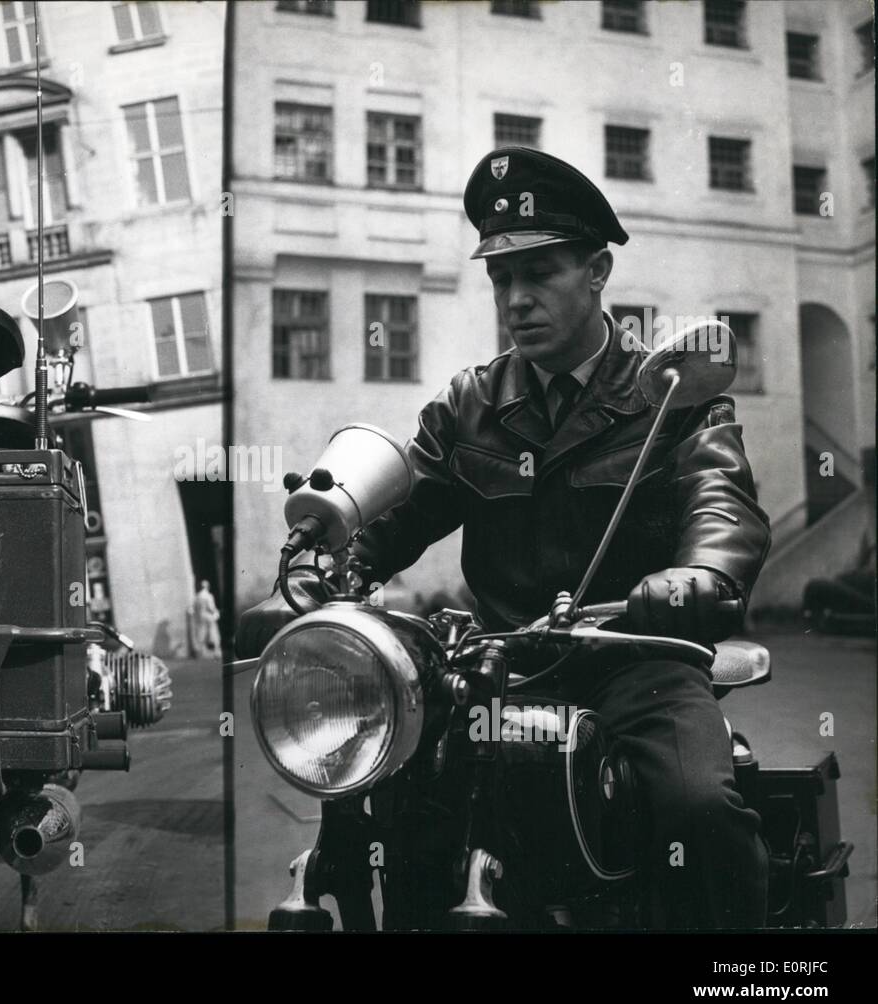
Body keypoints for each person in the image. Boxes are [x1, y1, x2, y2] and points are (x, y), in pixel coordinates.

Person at [238, 146, 771, 929]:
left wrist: (699, 576)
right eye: (501, 280)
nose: (516, 299)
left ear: (596, 272)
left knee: (697, 809)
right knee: (394, 802)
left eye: (539, 274)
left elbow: (723, 504)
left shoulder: (670, 397)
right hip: (493, 670)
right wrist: (330, 567)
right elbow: (398, 510)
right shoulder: (470, 406)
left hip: (637, 664)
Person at [192, 579, 221, 658]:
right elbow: (211, 607)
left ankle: (201, 652)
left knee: (201, 634)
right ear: (207, 587)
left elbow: (194, 608)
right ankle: (216, 651)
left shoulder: (197, 596)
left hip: (200, 617)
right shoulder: (208, 596)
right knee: (213, 633)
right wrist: (216, 613)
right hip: (208, 616)